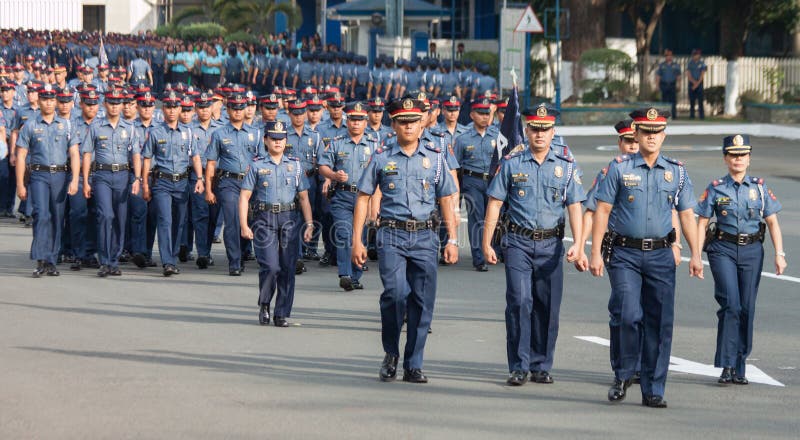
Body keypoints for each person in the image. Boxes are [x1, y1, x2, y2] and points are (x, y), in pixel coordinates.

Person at [590, 108, 704, 409]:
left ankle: (653, 388)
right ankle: (624, 374)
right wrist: (595, 253)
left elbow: (687, 214)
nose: (651, 137)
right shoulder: (619, 168)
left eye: (656, 133)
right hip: (624, 254)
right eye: (645, 132)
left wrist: (695, 254)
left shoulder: (676, 171)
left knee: (660, 322)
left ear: (663, 135)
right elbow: (601, 210)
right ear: (636, 135)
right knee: (628, 314)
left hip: (661, 255)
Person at [352, 97, 459, 384]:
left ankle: (413, 362)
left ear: (422, 122)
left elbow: (447, 198)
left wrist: (453, 240)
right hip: (392, 234)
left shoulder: (436, 157)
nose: (408, 126)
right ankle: (391, 353)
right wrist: (357, 241)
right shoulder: (381, 156)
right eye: (402, 121)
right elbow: (363, 197)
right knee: (396, 294)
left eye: (413, 120)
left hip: (426, 235)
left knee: (422, 302)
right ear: (394, 123)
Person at [482, 104, 585, 386]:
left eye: (545, 129)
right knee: (519, 301)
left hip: (551, 244)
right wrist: (486, 242)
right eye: (535, 128)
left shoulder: (565, 166)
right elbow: (495, 203)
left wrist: (580, 243)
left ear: (553, 132)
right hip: (517, 243)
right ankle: (518, 365)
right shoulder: (512, 163)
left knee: (547, 306)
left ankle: (540, 364)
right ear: (526, 130)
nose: (540, 134)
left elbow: (575, 205)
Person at [695, 135, 786, 385]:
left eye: (742, 155)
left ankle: (740, 363)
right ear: (725, 158)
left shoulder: (759, 187)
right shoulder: (716, 187)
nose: (738, 159)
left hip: (752, 250)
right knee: (731, 305)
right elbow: (702, 222)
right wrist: (694, 255)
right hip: (722, 249)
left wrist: (780, 253)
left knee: (747, 308)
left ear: (749, 158)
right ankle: (726, 364)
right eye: (733, 155)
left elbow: (773, 222)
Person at [240, 121, 314, 327]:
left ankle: (281, 312)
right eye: (273, 138)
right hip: (264, 219)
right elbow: (245, 196)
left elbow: (304, 197)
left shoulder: (295, 165)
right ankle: (265, 303)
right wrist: (244, 225)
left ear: (286, 141)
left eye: (281, 139)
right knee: (271, 266)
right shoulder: (256, 165)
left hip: (289, 218)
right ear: (265, 140)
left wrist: (309, 224)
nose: (278, 142)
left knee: (288, 267)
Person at [14, 83, 80, 277]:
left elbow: (74, 154)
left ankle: (52, 260)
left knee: (57, 218)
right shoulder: (31, 125)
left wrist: (75, 179)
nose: (49, 103)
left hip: (60, 175)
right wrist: (20, 184)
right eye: (45, 99)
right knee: (41, 214)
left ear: (57, 102)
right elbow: (21, 156)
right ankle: (41, 258)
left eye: (52, 99)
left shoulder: (66, 125)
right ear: (39, 100)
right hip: (39, 175)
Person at [142, 91, 203, 276]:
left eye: (175, 107)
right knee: (165, 220)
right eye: (168, 106)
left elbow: (196, 157)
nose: (172, 111)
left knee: (179, 222)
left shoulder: (188, 132)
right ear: (163, 109)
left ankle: (173, 256)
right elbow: (146, 159)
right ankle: (167, 261)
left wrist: (200, 179)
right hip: (162, 182)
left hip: (183, 183)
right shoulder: (155, 132)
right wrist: (145, 184)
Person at [81, 88, 141, 277]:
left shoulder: (130, 128)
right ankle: (104, 260)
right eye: (111, 103)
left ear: (123, 105)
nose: (115, 107)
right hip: (102, 176)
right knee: (105, 215)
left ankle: (114, 260)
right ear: (105, 104)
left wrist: (138, 178)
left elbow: (136, 154)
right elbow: (87, 154)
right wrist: (85, 181)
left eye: (118, 103)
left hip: (122, 176)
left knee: (120, 219)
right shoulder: (96, 127)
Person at [319, 101, 378, 291]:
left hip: (365, 197)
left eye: (360, 120)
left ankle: (355, 275)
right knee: (344, 234)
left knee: (360, 237)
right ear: (347, 120)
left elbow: (382, 173)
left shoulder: (375, 144)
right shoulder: (337, 143)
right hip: (343, 196)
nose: (356, 124)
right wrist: (333, 175)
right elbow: (323, 166)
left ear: (365, 122)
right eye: (352, 119)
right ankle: (345, 273)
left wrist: (376, 203)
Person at [205, 92, 265, 276]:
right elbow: (211, 163)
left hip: (250, 183)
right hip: (228, 182)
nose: (238, 112)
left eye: (241, 108)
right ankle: (234, 261)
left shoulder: (255, 134)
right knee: (232, 221)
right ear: (228, 110)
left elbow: (263, 159)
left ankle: (245, 252)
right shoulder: (219, 134)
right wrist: (208, 189)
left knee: (248, 220)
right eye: (234, 108)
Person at [453, 97, 496, 271]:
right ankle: (478, 257)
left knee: (492, 218)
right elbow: (455, 166)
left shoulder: (498, 137)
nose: (485, 117)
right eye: (480, 113)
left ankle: (489, 249)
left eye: (487, 113)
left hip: (493, 181)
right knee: (476, 218)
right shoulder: (463, 139)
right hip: (472, 181)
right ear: (472, 115)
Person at [656, 50, 680, 119]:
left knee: (673, 101)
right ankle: (664, 116)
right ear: (665, 57)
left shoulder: (676, 65)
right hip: (664, 85)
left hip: (672, 85)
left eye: (670, 55)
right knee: (664, 101)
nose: (668, 57)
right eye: (667, 56)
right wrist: (657, 85)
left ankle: (674, 116)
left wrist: (679, 84)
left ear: (672, 56)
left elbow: (678, 76)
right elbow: (658, 76)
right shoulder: (662, 65)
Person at [687, 49, 707, 120]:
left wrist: (697, 84)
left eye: (697, 54)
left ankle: (701, 116)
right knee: (692, 101)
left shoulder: (702, 63)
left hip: (699, 84)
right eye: (694, 54)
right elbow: (688, 75)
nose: (695, 56)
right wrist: (693, 83)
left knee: (700, 101)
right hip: (692, 83)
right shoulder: (690, 63)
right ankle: (692, 115)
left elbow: (702, 74)